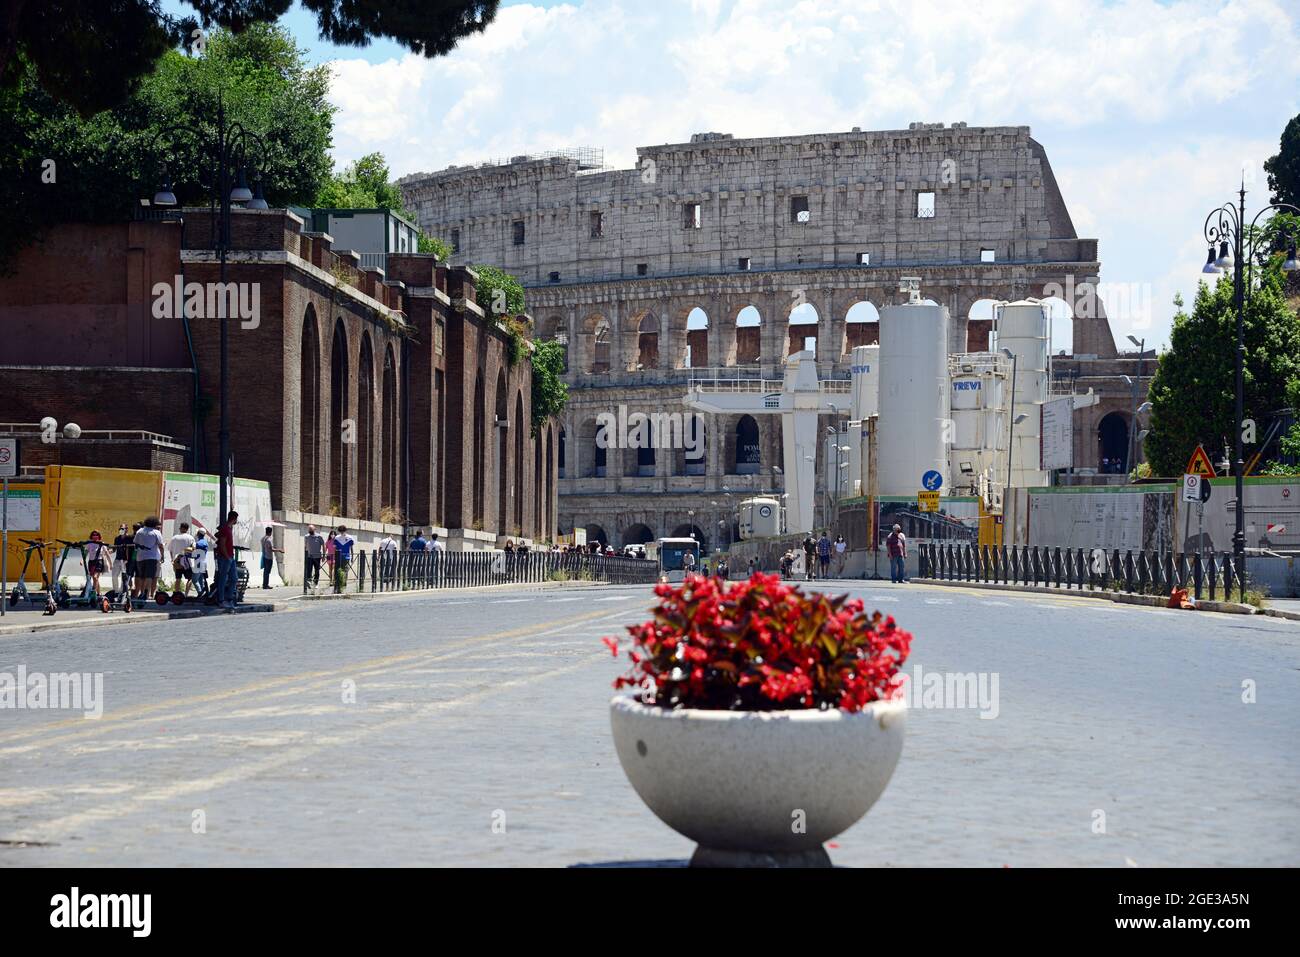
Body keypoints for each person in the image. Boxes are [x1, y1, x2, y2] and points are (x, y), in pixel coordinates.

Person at [133, 516, 166, 601]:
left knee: (142, 577)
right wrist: (162, 556)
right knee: (149, 576)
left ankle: (142, 592)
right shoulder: (156, 532)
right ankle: (146, 594)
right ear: (154, 524)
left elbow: (135, 543)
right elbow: (161, 546)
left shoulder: (140, 531)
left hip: (140, 557)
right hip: (152, 557)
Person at [214, 510, 239, 609]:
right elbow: (222, 544)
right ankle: (221, 600)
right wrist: (227, 557)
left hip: (230, 557)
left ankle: (229, 599)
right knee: (223, 579)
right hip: (225, 558)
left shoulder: (229, 528)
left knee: (234, 578)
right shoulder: (225, 529)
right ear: (234, 519)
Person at [169, 521, 196, 595]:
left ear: (180, 528)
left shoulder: (174, 538)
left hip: (177, 560)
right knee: (189, 579)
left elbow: (170, 550)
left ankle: (176, 594)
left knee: (178, 578)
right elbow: (194, 548)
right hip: (188, 562)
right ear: (187, 529)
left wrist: (172, 560)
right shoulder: (190, 538)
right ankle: (186, 594)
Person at [85, 529, 109, 597]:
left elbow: (107, 554)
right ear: (91, 536)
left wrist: (110, 563)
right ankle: (99, 593)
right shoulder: (89, 544)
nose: (95, 536)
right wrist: (82, 560)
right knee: (95, 579)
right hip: (91, 562)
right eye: (93, 535)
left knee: (95, 577)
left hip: (99, 561)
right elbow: (86, 553)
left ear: (99, 536)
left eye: (96, 535)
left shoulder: (102, 543)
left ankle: (93, 592)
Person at [111, 524, 132, 596]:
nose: (121, 530)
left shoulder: (129, 538)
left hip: (125, 560)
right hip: (117, 559)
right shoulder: (117, 538)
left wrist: (128, 559)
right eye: (120, 529)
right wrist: (108, 551)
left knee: (124, 577)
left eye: (123, 529)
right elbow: (114, 549)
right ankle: (116, 591)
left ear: (126, 529)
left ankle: (122, 591)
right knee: (114, 575)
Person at [333, 525, 356, 591]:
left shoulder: (349, 538)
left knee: (344, 570)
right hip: (339, 556)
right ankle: (338, 585)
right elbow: (334, 548)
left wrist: (352, 556)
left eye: (342, 531)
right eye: (341, 531)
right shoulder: (337, 537)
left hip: (345, 556)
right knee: (338, 570)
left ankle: (342, 584)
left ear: (345, 530)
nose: (342, 532)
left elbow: (351, 548)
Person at [191, 529, 210, 597]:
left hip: (198, 562)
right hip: (203, 562)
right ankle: (202, 594)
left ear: (198, 534)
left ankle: (200, 592)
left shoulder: (199, 543)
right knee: (200, 579)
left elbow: (195, 554)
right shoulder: (205, 542)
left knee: (194, 580)